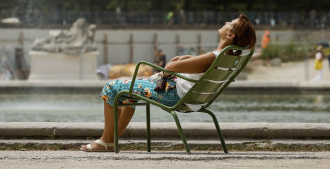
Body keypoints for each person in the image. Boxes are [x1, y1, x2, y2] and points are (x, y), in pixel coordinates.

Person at [80, 14, 257, 152]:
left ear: (230, 34)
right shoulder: (224, 57)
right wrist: (188, 59)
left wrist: (177, 63)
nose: (226, 22)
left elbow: (171, 67)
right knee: (126, 93)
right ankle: (111, 142)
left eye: (229, 23)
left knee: (111, 87)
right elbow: (199, 65)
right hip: (188, 96)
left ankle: (104, 141)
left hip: (172, 95)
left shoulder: (214, 57)